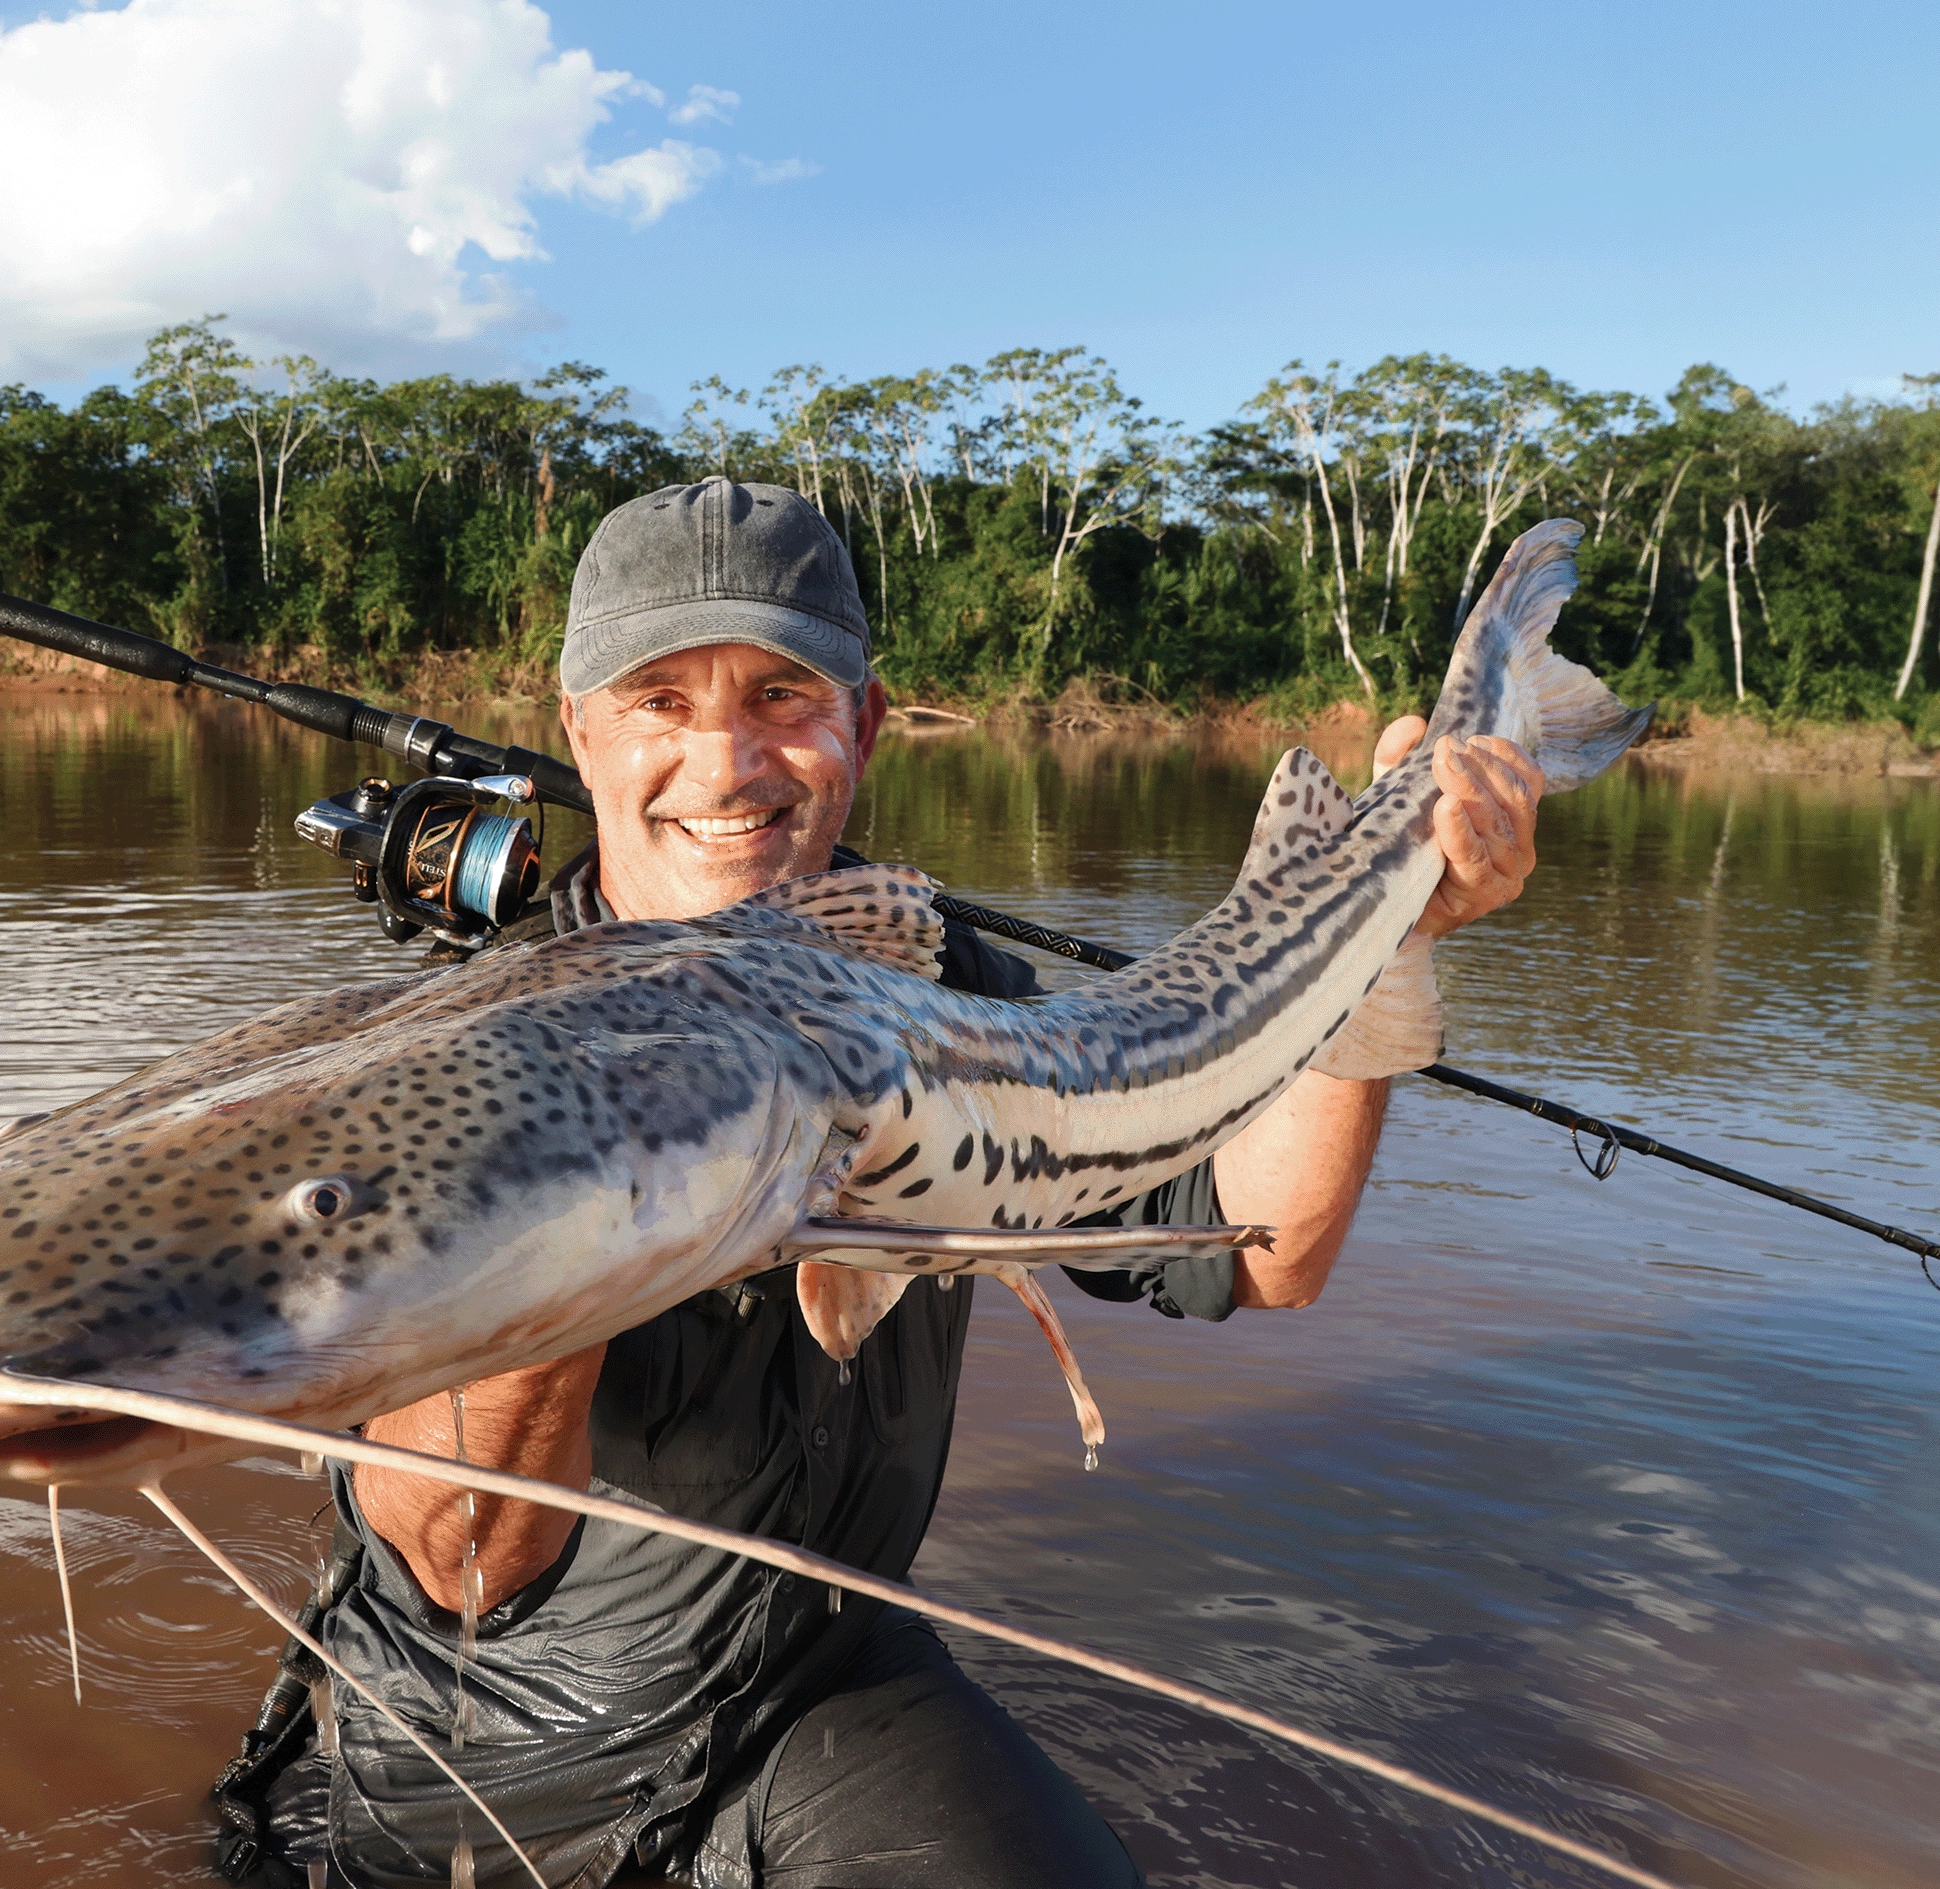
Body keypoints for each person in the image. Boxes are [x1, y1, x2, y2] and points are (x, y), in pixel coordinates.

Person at [218, 479, 1546, 1889]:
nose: (726, 765)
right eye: (660, 700)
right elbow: (462, 1565)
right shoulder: (455, 1065)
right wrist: (577, 1196)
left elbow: (1258, 1251)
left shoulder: (954, 998)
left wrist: (1386, 924)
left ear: (867, 720)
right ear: (580, 732)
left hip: (822, 1672)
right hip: (489, 1728)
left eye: (784, 695)